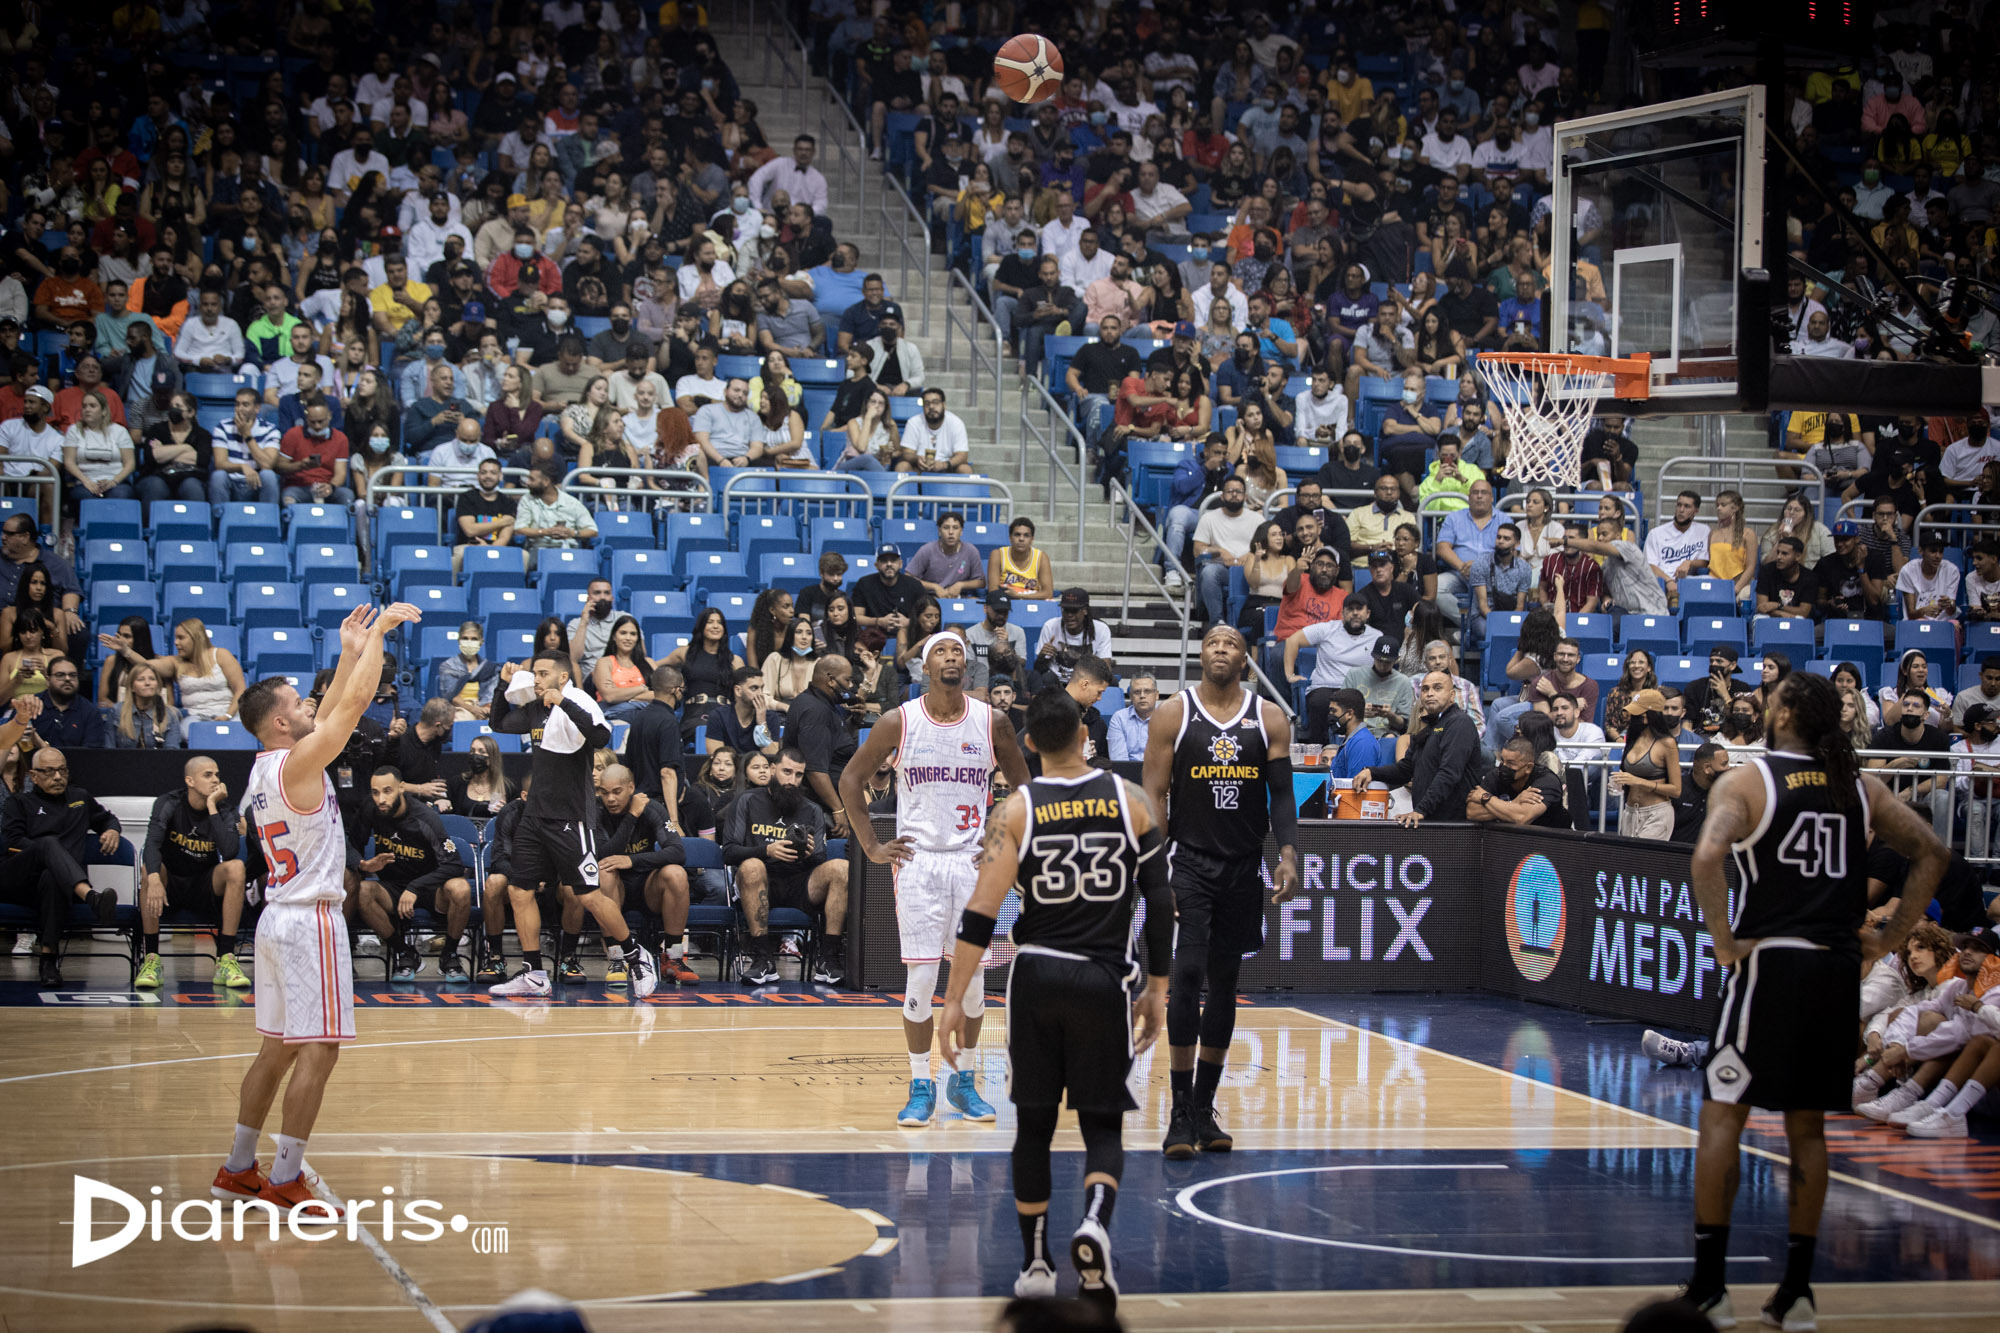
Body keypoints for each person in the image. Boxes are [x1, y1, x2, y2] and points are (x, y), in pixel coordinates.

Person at [1681, 670, 1946, 1330]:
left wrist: (1722, 941)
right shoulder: (1859, 786)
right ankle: (1797, 1292)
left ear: (1784, 714)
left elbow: (1706, 858)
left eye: (1771, 700)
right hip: (1834, 971)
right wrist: (1890, 937)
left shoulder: (1747, 781)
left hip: (1769, 965)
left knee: (1723, 1116)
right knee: (1808, 1128)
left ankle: (1710, 1288)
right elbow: (1933, 852)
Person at [937, 686, 1171, 1314]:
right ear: (1086, 735)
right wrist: (1158, 987)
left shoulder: (1015, 809)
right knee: (1102, 1124)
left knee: (1034, 1127)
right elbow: (1161, 902)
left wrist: (953, 999)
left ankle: (1036, 1263)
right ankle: (1094, 1223)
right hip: (1104, 979)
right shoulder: (1133, 801)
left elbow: (981, 912)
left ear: (1030, 742)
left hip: (1037, 977)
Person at [218, 601, 417, 1217]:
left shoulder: (267, 766)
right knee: (319, 1050)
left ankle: (238, 1168)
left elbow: (329, 712)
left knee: (276, 1048)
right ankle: (285, 1178)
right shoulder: (299, 762)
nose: (310, 704)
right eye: (297, 704)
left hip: (278, 919)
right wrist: (379, 638)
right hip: (311, 921)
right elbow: (349, 710)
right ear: (281, 724)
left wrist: (348, 652)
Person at [842, 633, 1031, 1121]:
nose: (951, 657)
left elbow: (1026, 790)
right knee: (922, 979)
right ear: (925, 668)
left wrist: (1004, 842)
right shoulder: (899, 721)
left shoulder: (993, 721)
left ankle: (963, 1082)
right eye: (941, 652)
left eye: (957, 652)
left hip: (971, 862)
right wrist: (872, 846)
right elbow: (850, 779)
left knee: (973, 984)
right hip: (919, 862)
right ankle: (920, 1084)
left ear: (966, 666)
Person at [1142, 625, 1300, 1157]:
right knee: (1186, 976)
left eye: (1230, 644)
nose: (1220, 649)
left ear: (1245, 660)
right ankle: (1179, 1108)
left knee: (1225, 984)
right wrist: (1155, 868)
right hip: (1188, 862)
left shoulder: (1269, 717)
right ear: (1200, 655)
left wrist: (1288, 853)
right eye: (1212, 642)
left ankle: (1204, 1108)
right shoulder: (1173, 713)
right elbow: (1154, 793)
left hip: (1243, 866)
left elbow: (1282, 795)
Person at [488, 652, 658, 998]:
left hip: (570, 818)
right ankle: (535, 973)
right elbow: (499, 723)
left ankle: (635, 955)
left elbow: (601, 736)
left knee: (589, 895)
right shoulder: (536, 708)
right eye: (535, 673)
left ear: (562, 677)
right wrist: (502, 687)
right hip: (535, 816)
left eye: (543, 673)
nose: (536, 679)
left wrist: (563, 702)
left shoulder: (578, 701)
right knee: (519, 891)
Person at [723, 746, 852, 985]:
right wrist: (767, 850)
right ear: (773, 769)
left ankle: (829, 960)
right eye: (787, 772)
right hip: (759, 882)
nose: (792, 780)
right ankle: (763, 960)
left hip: (799, 883)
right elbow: (729, 851)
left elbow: (819, 860)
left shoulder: (812, 809)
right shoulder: (747, 801)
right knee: (752, 866)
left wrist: (810, 854)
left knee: (841, 868)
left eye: (798, 775)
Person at [1, 742, 123, 985]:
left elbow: (107, 819)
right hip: (17, 880)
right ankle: (92, 898)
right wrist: (46, 852)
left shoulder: (79, 798)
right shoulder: (19, 802)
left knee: (53, 877)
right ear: (34, 776)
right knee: (48, 844)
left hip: (58, 885)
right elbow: (11, 842)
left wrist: (112, 830)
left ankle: (48, 962)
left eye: (62, 770)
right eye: (48, 771)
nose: (57, 777)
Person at [134, 755, 248, 989]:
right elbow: (152, 843)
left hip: (204, 887)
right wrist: (153, 878)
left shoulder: (225, 809)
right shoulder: (168, 803)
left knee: (236, 867)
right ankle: (151, 960)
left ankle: (225, 959)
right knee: (150, 870)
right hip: (170, 888)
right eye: (208, 775)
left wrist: (212, 807)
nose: (215, 780)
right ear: (190, 781)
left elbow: (229, 852)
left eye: (217, 775)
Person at [352, 766, 475, 982]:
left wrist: (414, 887)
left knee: (461, 888)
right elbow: (352, 844)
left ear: (401, 788)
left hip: (430, 888)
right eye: (375, 793)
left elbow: (454, 865)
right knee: (362, 891)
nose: (381, 799)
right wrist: (364, 864)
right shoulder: (370, 809)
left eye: (387, 791)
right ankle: (404, 952)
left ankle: (449, 955)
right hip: (392, 887)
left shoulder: (425, 818)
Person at [594, 764, 700, 988]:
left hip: (648, 888)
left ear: (631, 788)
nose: (610, 799)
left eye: (617, 792)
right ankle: (617, 959)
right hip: (615, 890)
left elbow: (677, 852)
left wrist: (632, 860)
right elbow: (603, 855)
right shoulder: (596, 810)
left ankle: (673, 958)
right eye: (604, 792)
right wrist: (632, 816)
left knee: (676, 873)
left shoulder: (653, 808)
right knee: (605, 871)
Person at [1352, 669, 1482, 829]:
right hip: (1431, 821)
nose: (1430, 693)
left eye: (1437, 688)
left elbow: (1449, 773)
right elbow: (1405, 769)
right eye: (1425, 689)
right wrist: (1372, 772)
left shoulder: (1459, 723)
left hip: (1455, 826)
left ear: (1452, 695)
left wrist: (1421, 810)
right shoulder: (1427, 729)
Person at [1614, 689, 1682, 840]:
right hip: (1630, 812)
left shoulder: (1667, 743)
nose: (1632, 717)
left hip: (1656, 814)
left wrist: (1639, 782)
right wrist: (1620, 784)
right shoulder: (1633, 738)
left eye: (1637, 713)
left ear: (1650, 715)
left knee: (1643, 855)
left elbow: (1676, 790)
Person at [1465, 736, 1567, 827]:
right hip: (1509, 839)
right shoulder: (1495, 775)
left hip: (1551, 839)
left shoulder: (1547, 781)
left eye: (1510, 763)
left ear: (1528, 767)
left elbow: (1521, 818)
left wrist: (1486, 798)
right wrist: (1514, 803)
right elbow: (1471, 812)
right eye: (1502, 760)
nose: (1504, 766)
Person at [1034, 589, 1116, 685]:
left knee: (1112, 682)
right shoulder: (1050, 626)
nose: (1069, 615)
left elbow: (1106, 669)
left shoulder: (1101, 629)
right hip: (1057, 683)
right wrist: (1042, 656)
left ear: (1085, 610)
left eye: (1074, 611)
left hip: (1086, 683)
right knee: (1045, 678)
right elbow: (1038, 669)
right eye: (1066, 610)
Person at [907, 511, 985, 598]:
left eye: (955, 528)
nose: (951, 532)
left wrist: (961, 585)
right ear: (939, 531)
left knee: (975, 601)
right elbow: (908, 577)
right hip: (931, 596)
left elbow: (981, 582)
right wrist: (934, 587)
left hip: (961, 596)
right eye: (946, 527)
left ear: (961, 531)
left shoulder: (971, 550)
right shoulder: (927, 550)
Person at [1669, 743, 1734, 844]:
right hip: (1675, 851)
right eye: (1724, 764)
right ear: (1707, 768)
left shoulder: (1725, 793)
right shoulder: (1677, 790)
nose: (1728, 768)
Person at [989, 516, 1056, 599]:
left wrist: (1019, 596)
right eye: (1017, 535)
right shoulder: (998, 554)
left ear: (1032, 539)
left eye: (1026, 535)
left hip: (1030, 602)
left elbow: (1048, 593)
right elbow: (993, 590)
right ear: (1010, 538)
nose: (1021, 539)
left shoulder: (1041, 557)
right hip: (1005, 601)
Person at [1106, 674, 1160, 762]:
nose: (1142, 696)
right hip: (1127, 770)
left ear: (1156, 695)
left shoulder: (1167, 718)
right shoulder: (1119, 718)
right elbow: (1119, 761)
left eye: (1147, 691)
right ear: (1131, 696)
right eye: (1137, 692)